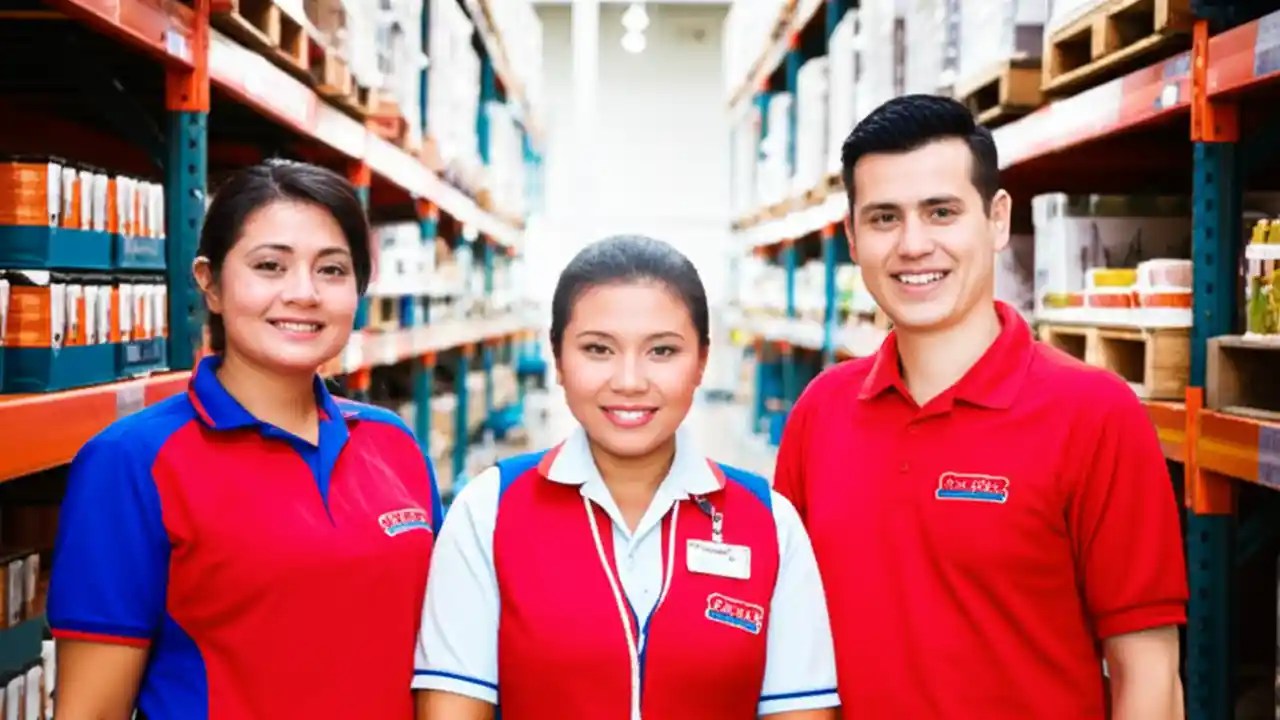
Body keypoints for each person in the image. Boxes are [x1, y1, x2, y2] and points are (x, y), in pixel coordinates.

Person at [773, 93, 1189, 719]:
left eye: (941, 212)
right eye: (885, 218)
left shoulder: (1095, 414)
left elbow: (1149, 675)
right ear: (853, 237)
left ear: (996, 220)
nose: (914, 245)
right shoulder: (820, 413)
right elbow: (795, 654)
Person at [46, 160, 444, 719]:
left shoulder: (393, 445)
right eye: (270, 266)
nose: (303, 293)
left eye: (332, 270)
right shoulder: (133, 462)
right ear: (209, 282)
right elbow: (90, 711)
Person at [412, 235, 839, 720]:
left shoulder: (769, 524)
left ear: (701, 361)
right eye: (598, 349)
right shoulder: (488, 513)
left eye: (662, 351)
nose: (630, 381)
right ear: (557, 358)